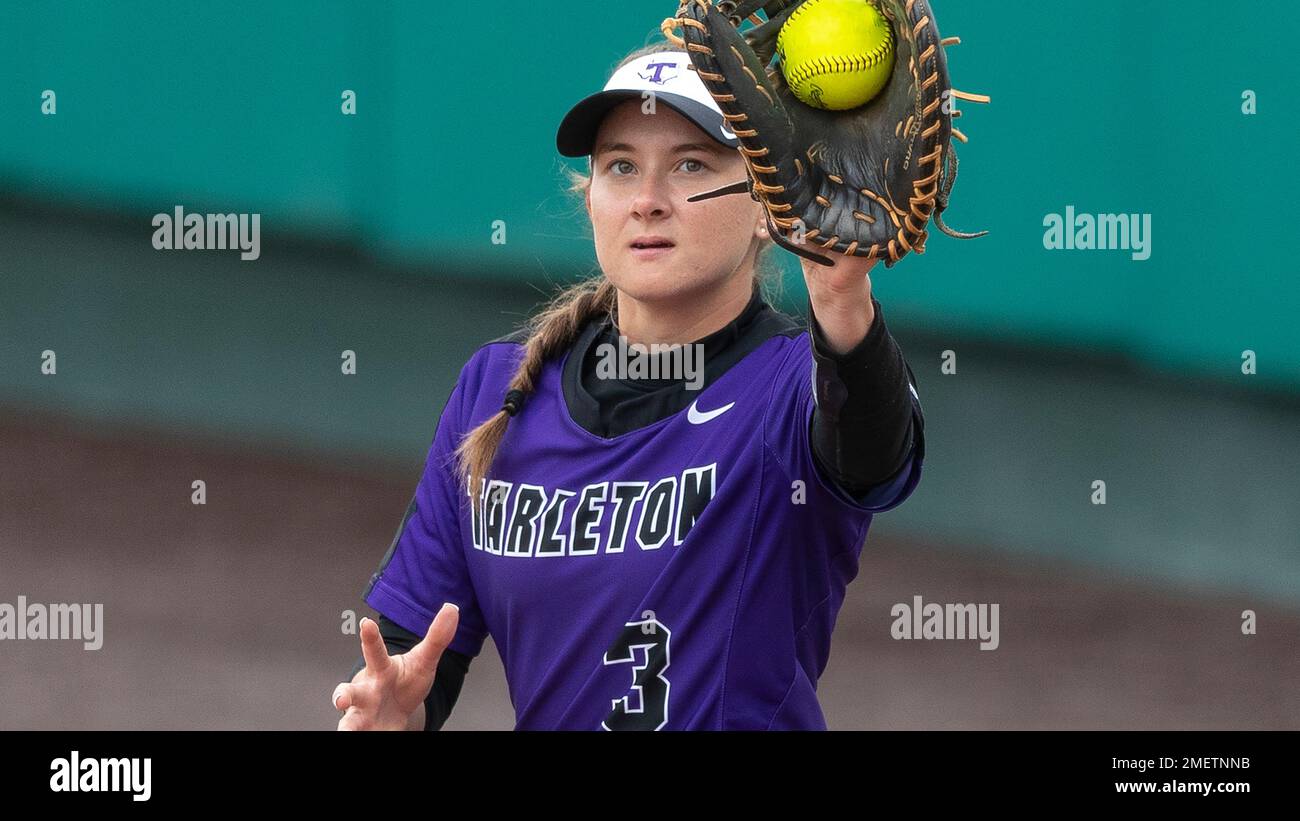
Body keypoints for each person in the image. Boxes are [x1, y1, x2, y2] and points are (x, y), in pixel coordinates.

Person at [333, 39, 925, 731]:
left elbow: (877, 457)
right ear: (590, 201)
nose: (647, 201)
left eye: (691, 165)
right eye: (620, 167)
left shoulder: (793, 386)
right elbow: (421, 656)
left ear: (770, 205)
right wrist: (397, 712)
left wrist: (844, 299)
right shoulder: (496, 390)